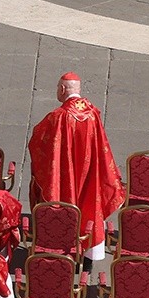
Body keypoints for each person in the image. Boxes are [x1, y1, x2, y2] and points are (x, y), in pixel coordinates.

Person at [27, 72, 126, 261]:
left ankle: (63, 253)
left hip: (66, 174)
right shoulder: (93, 114)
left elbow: (39, 141)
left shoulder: (58, 117)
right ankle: (90, 257)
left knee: (65, 199)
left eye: (58, 88)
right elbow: (102, 146)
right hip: (90, 173)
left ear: (63, 89)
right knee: (91, 202)